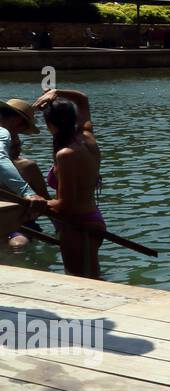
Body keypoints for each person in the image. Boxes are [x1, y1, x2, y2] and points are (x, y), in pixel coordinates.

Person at [24, 89, 105, 278]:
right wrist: (56, 91)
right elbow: (83, 99)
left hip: (77, 226)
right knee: (94, 280)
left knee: (79, 284)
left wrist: (33, 201)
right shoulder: (87, 137)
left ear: (50, 125)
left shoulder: (66, 155)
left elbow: (65, 204)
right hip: (93, 219)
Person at [0, 99, 40, 250]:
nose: (19, 133)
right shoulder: (2, 132)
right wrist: (27, 192)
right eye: (22, 128)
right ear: (17, 120)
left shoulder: (27, 166)